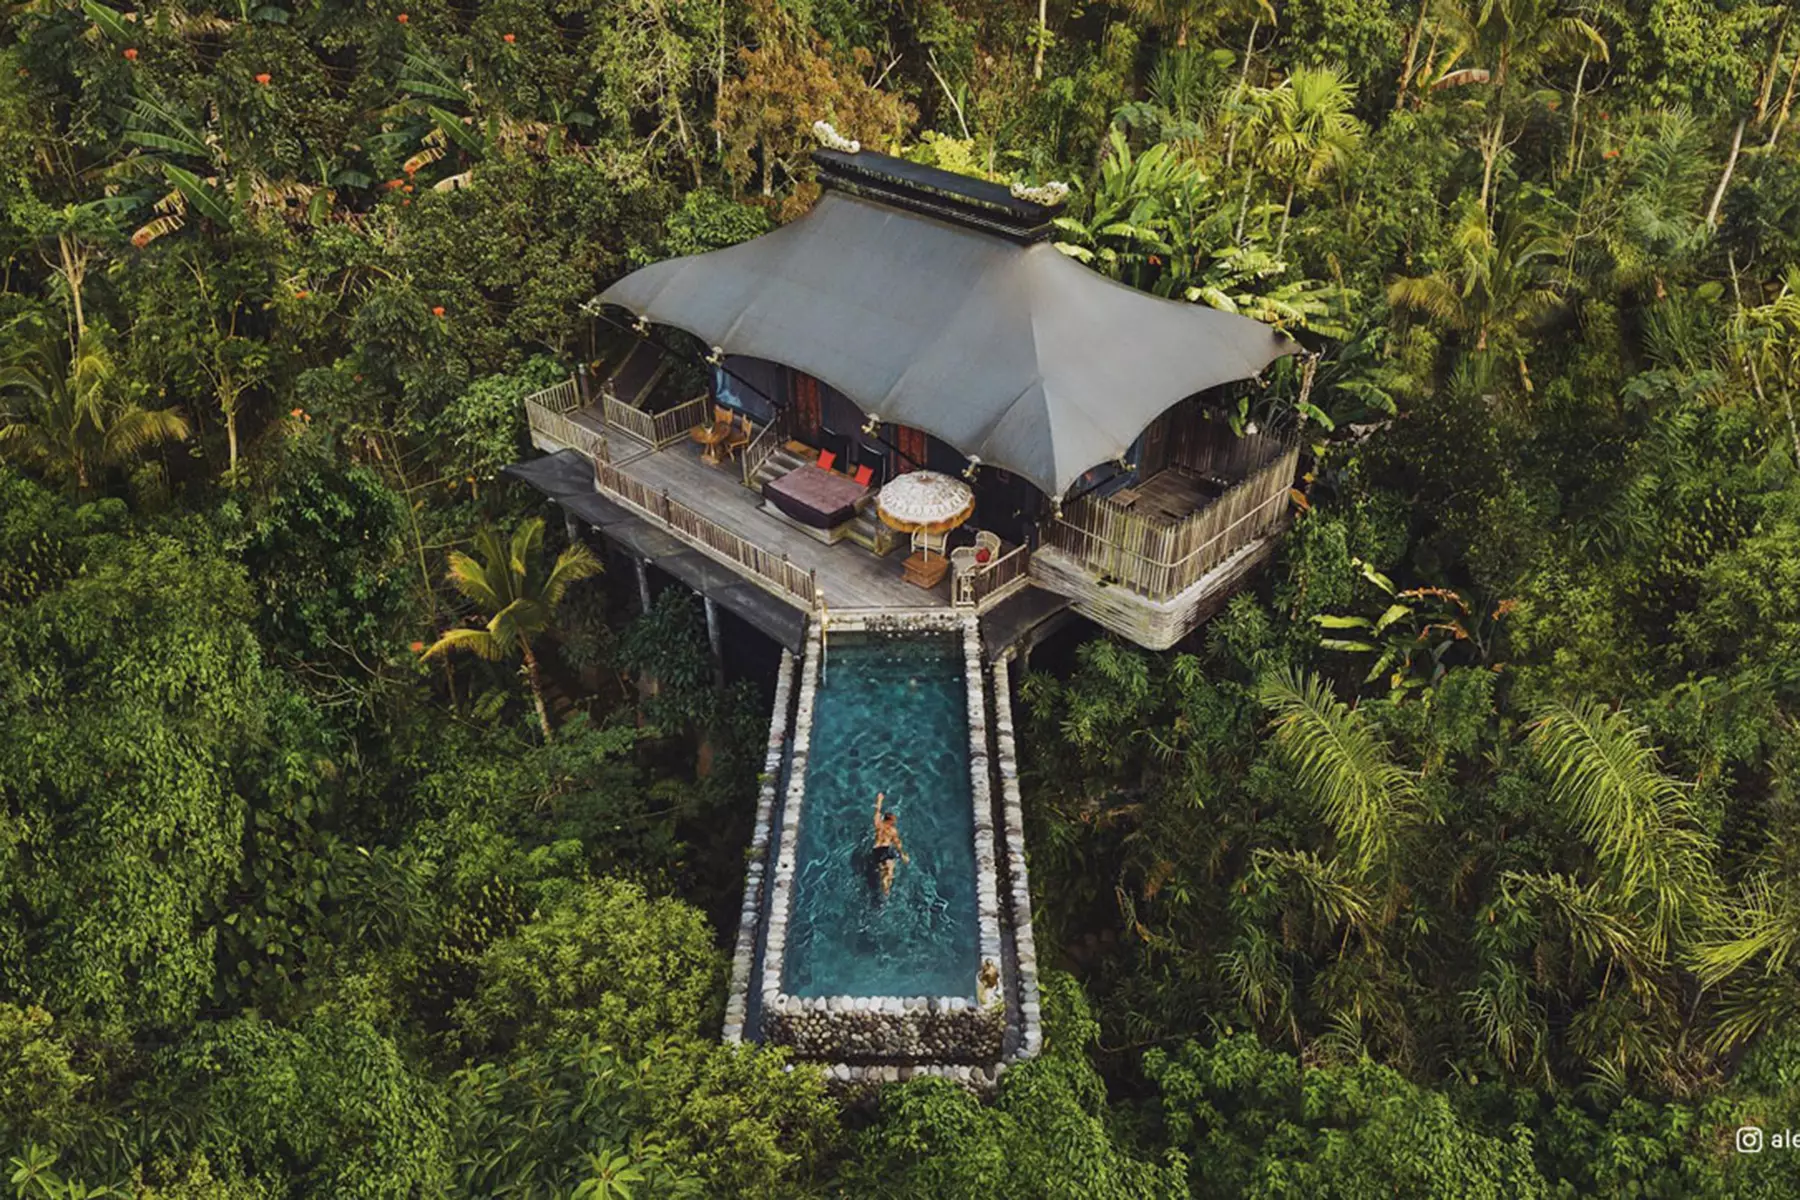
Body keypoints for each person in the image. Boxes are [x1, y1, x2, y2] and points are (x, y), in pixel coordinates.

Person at [872, 791, 909, 898]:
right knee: (890, 872)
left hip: (876, 851)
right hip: (886, 849)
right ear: (891, 821)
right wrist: (903, 854)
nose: (895, 822)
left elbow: (877, 811)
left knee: (882, 872)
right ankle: (886, 892)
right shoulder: (892, 830)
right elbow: (897, 843)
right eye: (894, 821)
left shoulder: (878, 824)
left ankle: (884, 888)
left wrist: (879, 800)